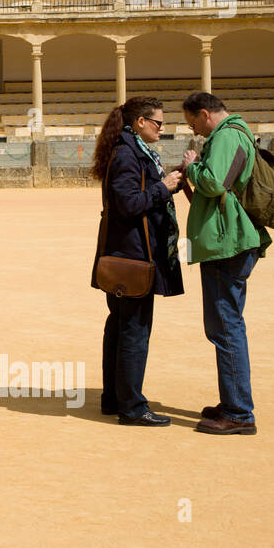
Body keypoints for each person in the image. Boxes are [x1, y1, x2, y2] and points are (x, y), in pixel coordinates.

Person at [90, 96, 185, 427]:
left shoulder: (128, 150)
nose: (162, 128)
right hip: (132, 255)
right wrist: (165, 187)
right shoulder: (129, 154)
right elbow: (129, 204)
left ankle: (114, 398)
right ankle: (131, 406)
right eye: (158, 122)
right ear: (141, 122)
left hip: (123, 252)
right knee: (133, 330)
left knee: (119, 327)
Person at [180, 92, 271, 436]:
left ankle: (238, 412)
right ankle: (233, 401)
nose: (197, 132)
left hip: (226, 244)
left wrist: (192, 166)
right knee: (225, 325)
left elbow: (215, 183)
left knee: (225, 328)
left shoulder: (227, 135)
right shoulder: (234, 134)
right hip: (228, 240)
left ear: (205, 114)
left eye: (194, 124)